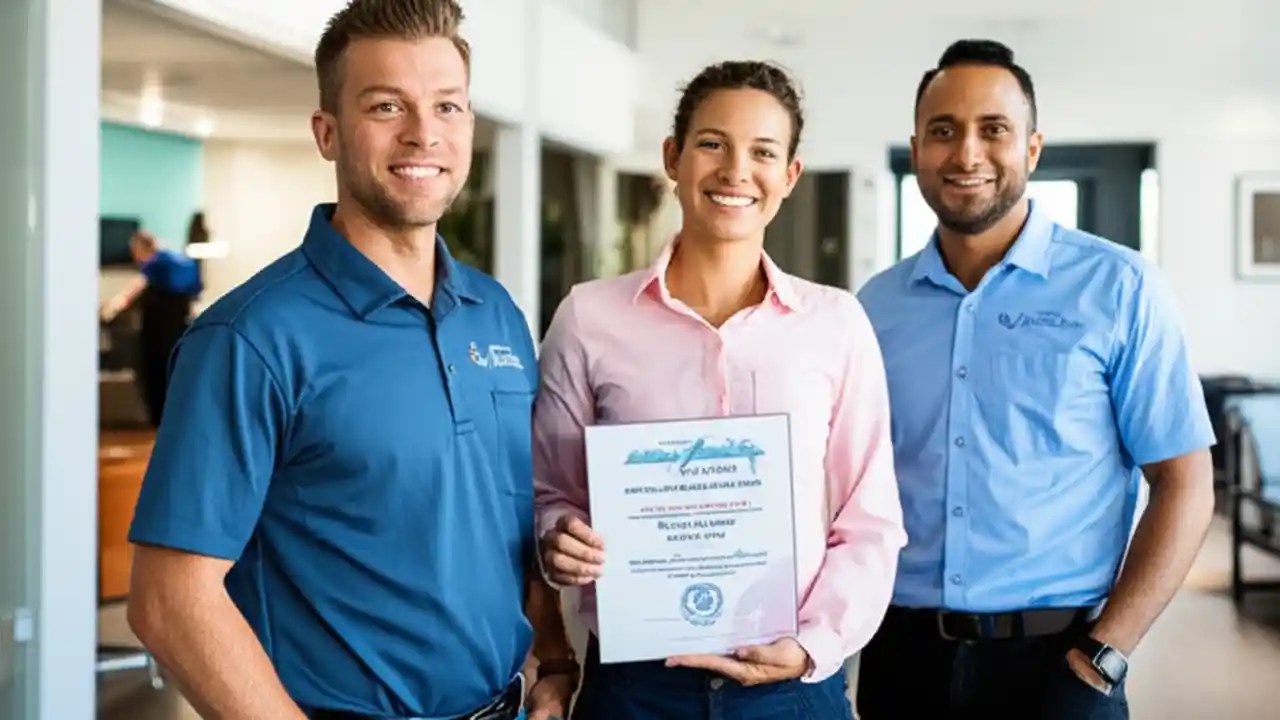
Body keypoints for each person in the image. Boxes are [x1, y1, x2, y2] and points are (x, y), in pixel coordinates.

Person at [125, 2, 577, 719]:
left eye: (447, 106)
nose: (423, 133)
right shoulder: (249, 338)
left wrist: (553, 656)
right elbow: (168, 600)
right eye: (386, 105)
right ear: (327, 133)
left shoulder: (495, 314)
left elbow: (507, 523)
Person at [533, 60, 907, 720]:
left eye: (763, 152)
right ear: (672, 158)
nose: (736, 171)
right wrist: (558, 538)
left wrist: (813, 644)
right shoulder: (589, 317)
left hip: (793, 687)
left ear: (789, 175)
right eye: (712, 144)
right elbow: (550, 492)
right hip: (636, 688)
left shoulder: (836, 323)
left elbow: (869, 519)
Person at [854, 39, 1216, 719]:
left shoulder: (1119, 287)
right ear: (918, 149)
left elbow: (1186, 482)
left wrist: (1106, 653)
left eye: (993, 129)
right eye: (943, 131)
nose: (966, 154)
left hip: (1059, 666)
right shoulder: (874, 307)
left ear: (1033, 148)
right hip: (901, 659)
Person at [100, 229, 203, 427]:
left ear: (141, 248)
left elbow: (133, 290)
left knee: (154, 375)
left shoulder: (156, 263)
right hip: (179, 330)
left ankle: (158, 421)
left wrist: (109, 311)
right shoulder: (184, 263)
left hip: (157, 332)